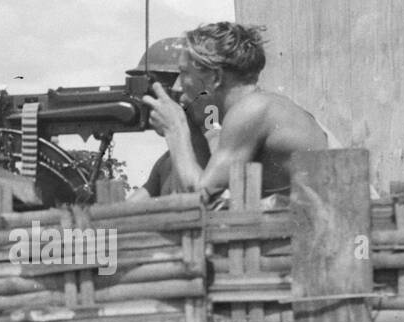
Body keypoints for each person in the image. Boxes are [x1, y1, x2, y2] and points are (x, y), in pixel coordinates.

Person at [142, 22, 334, 201]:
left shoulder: (251, 110)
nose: (177, 86)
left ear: (215, 77)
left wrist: (175, 129)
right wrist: (191, 128)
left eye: (184, 73)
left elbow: (200, 200)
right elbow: (207, 188)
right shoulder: (260, 106)